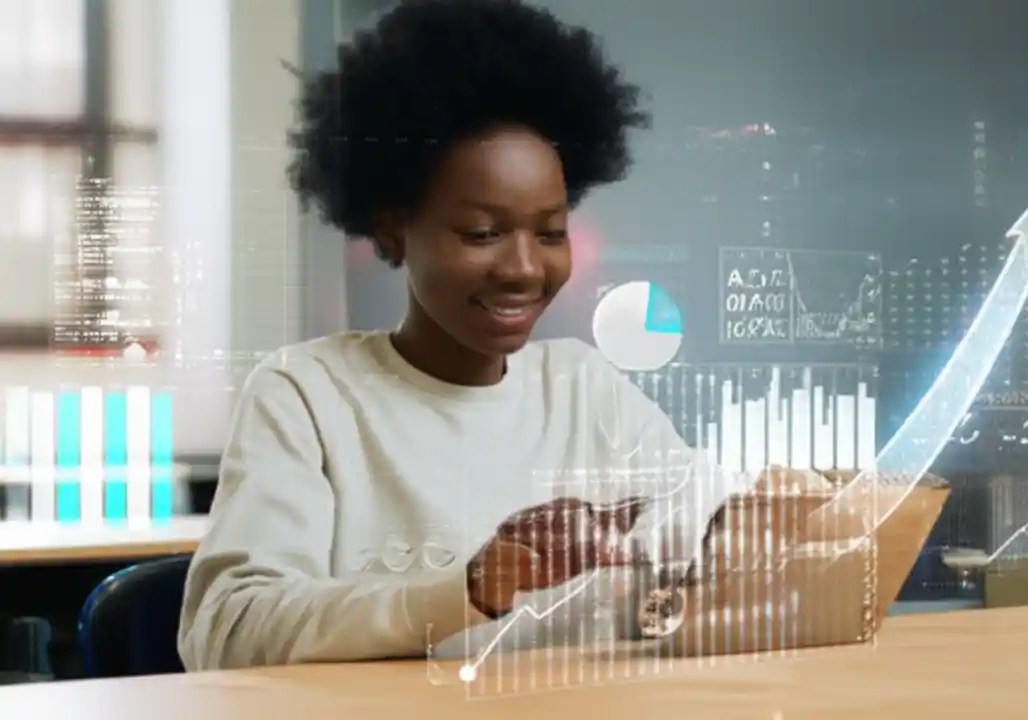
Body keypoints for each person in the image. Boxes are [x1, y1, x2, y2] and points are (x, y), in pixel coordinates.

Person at [177, 0, 828, 673]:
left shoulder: (582, 389)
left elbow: (716, 533)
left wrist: (758, 524)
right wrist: (468, 591)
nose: (522, 268)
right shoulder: (308, 397)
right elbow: (229, 631)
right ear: (395, 225)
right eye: (483, 233)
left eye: (549, 233)